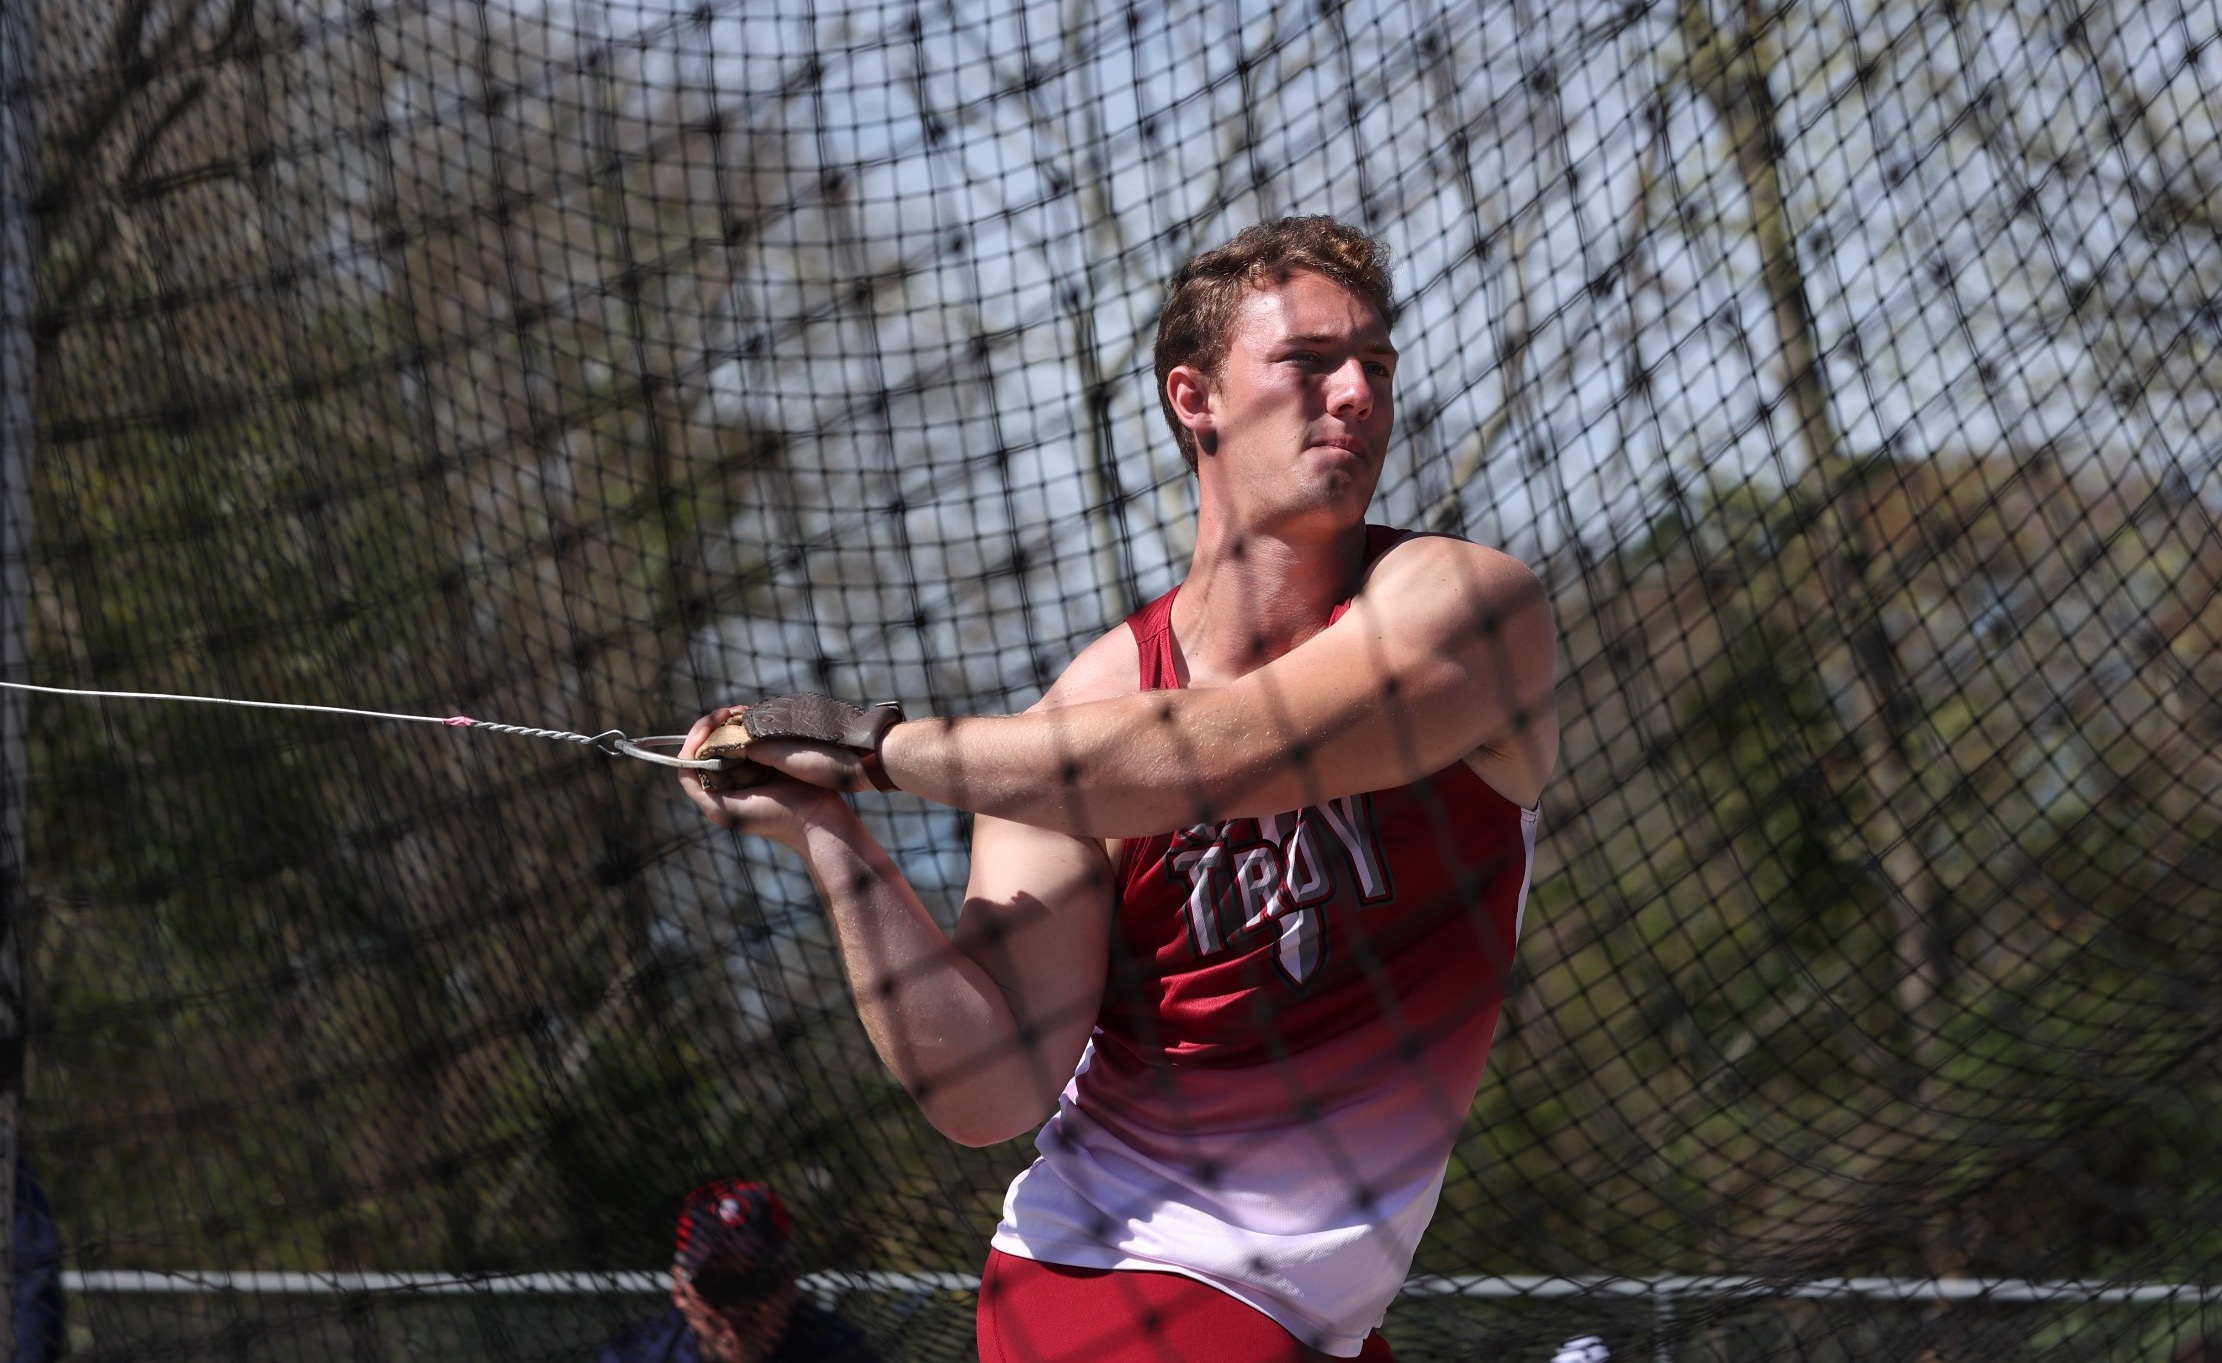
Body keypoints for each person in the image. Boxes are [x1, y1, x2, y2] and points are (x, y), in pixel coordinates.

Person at [679, 216, 1558, 1362]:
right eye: (1305, 362)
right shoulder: (1081, 710)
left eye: (1375, 366)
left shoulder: (1464, 604)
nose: (1354, 394)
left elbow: (1236, 746)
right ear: (1191, 398)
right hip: (1115, 1287)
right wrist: (830, 836)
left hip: (1321, 1322)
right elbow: (989, 1089)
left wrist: (881, 748)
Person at [597, 1180, 880, 1363]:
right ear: (680, 1290)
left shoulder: (838, 1354)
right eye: (715, 1287)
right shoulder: (637, 1357)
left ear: (789, 1285)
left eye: (757, 1285)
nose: (736, 1309)